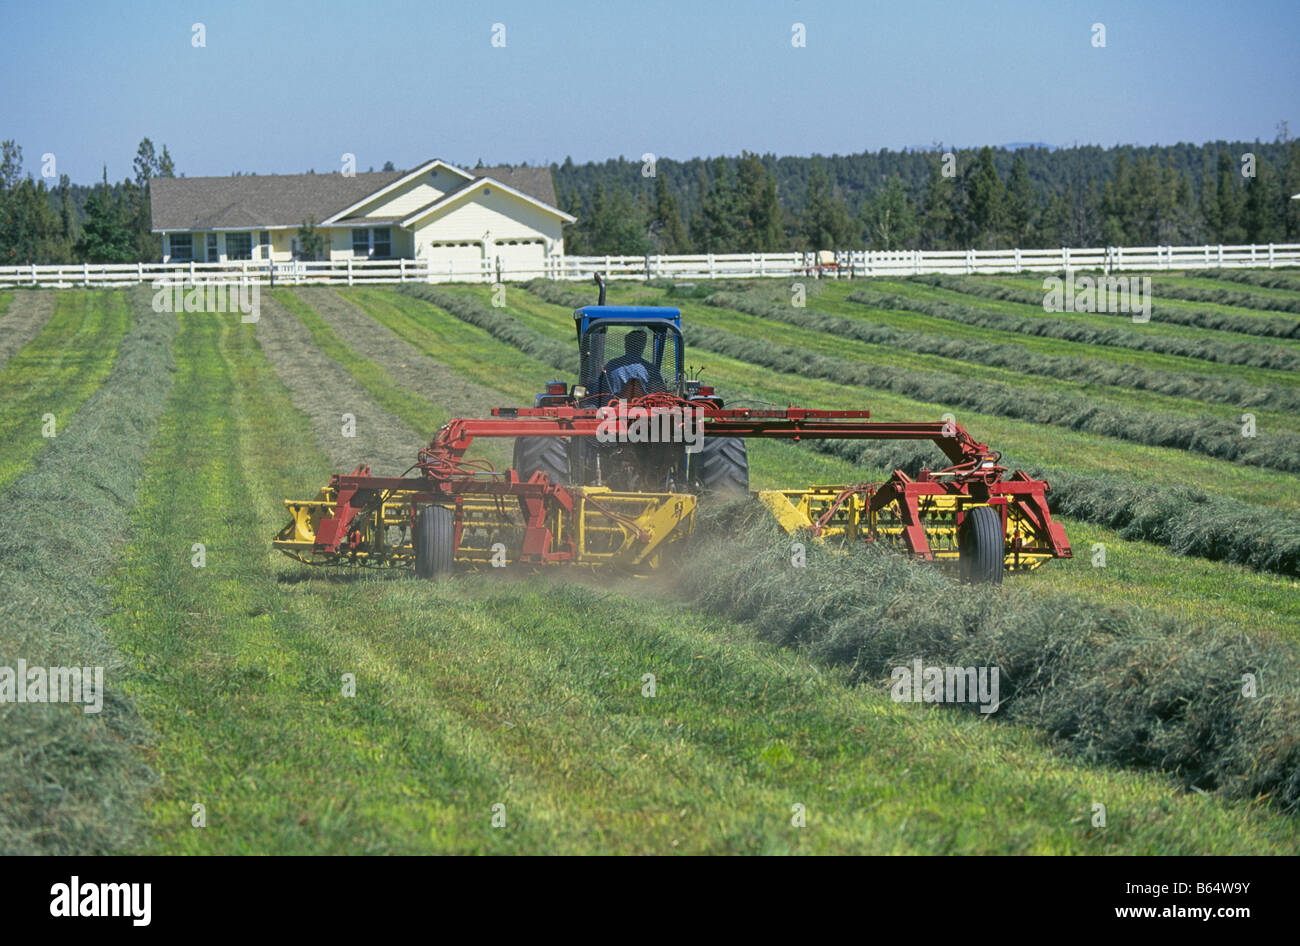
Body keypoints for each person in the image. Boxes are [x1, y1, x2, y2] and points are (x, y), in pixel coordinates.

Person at [601, 330, 663, 396]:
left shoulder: (611, 365)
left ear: (626, 344)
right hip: (642, 404)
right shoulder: (650, 369)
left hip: (616, 404)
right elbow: (660, 392)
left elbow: (601, 388)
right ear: (643, 346)